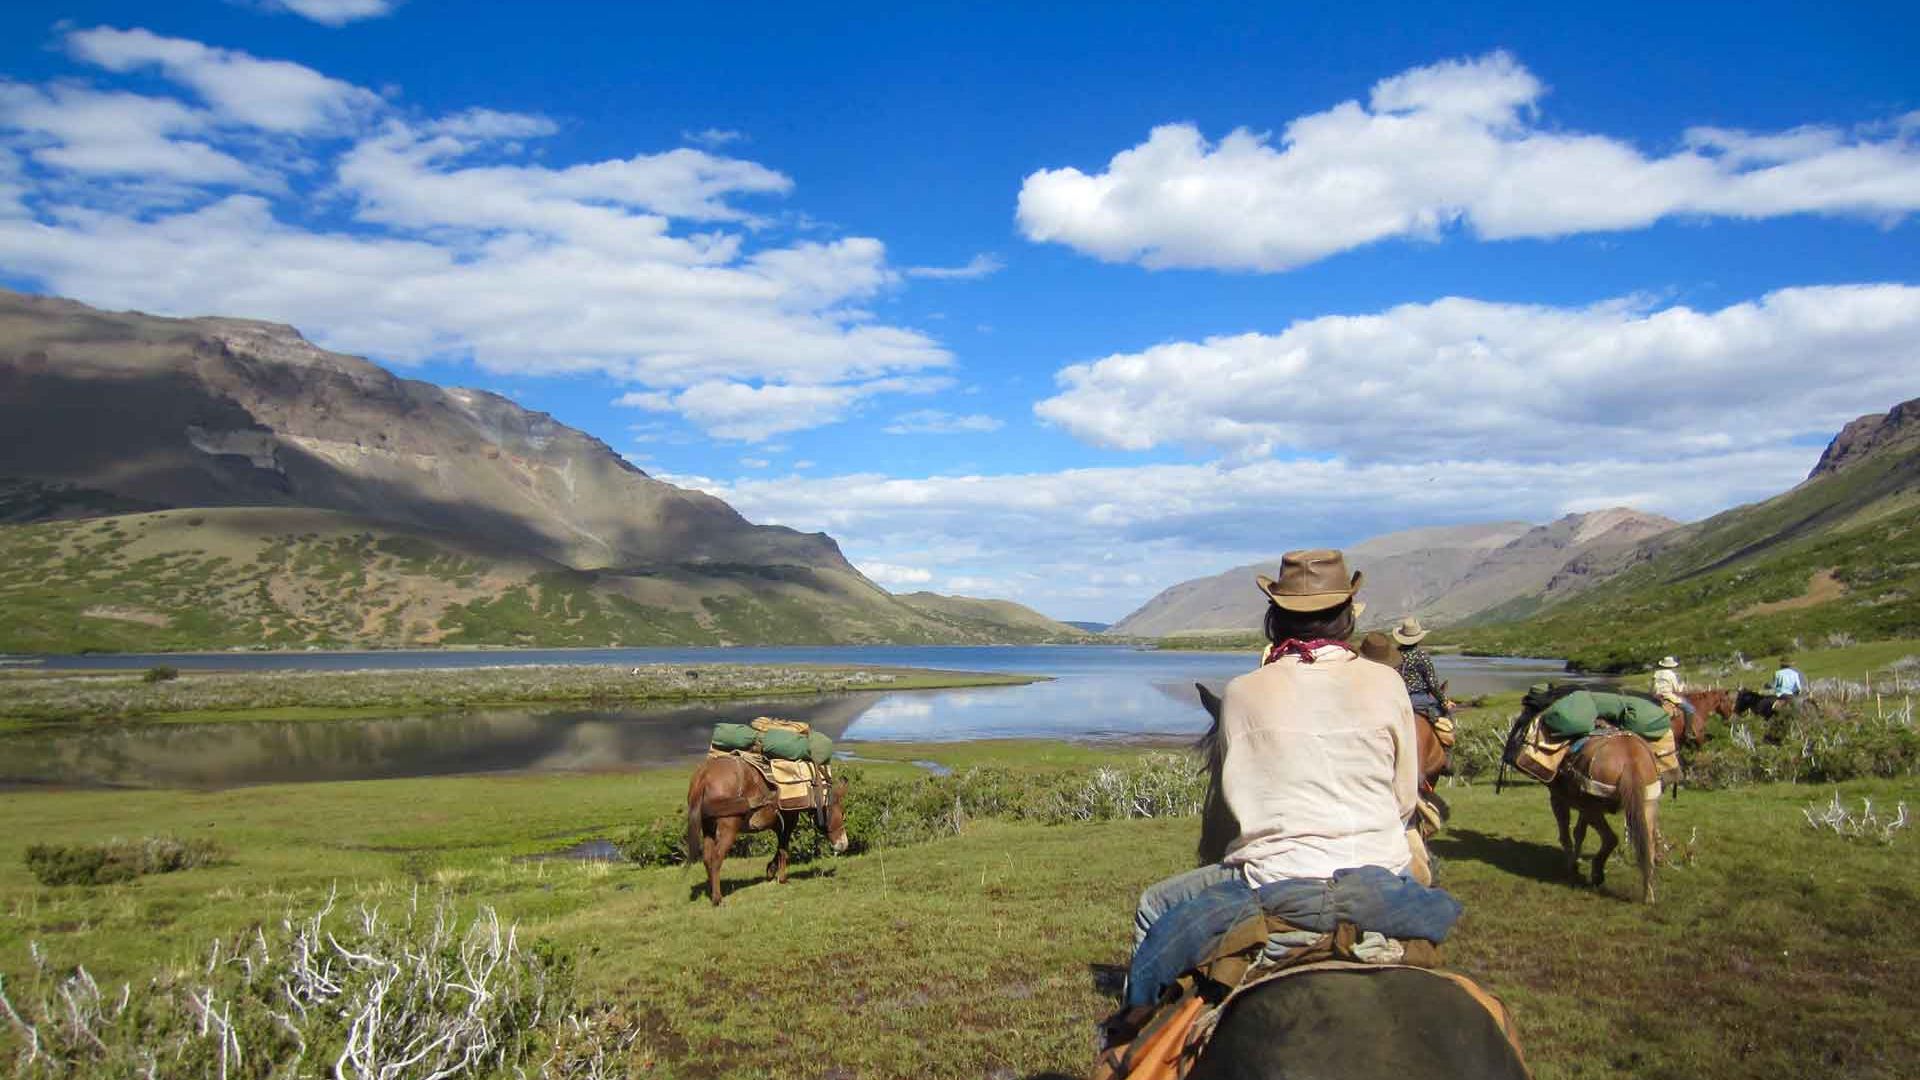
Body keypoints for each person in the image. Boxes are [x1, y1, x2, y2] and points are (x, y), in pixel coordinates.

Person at [1132, 549, 1422, 948]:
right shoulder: (1388, 682)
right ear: (1347, 613)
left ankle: (1139, 1010)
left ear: (1275, 616)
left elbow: (1238, 804)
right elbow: (1405, 800)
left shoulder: (1242, 692)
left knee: (1153, 906)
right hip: (1382, 870)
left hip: (1279, 877)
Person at [1652, 656, 1695, 725]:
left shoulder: (1656, 673)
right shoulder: (1671, 674)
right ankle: (1688, 732)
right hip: (1667, 696)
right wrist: (1684, 683)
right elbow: (1677, 689)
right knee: (1690, 709)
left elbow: (1652, 687)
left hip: (1655, 696)